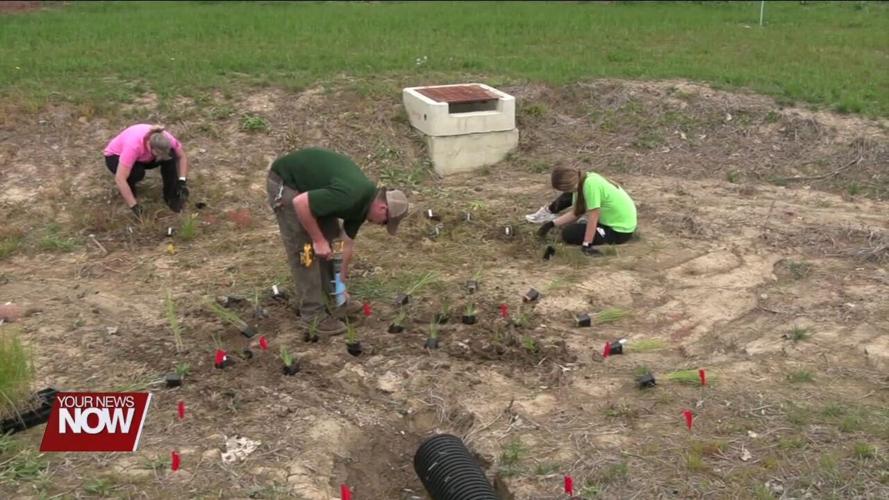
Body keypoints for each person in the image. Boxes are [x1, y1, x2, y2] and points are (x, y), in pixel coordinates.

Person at [266, 147, 409, 335]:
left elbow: (345, 244)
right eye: (385, 222)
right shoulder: (352, 196)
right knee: (306, 251)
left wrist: (341, 284)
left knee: (331, 242)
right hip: (288, 186)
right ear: (383, 208)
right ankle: (312, 314)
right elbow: (301, 203)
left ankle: (334, 299)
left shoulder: (362, 206)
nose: (381, 225)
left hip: (312, 191)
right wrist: (317, 240)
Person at [531, 166, 637, 254]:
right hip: (612, 223)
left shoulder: (590, 185)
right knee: (572, 229)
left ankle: (593, 236)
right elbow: (576, 212)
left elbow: (593, 216)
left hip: (619, 231)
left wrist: (587, 244)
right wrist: (550, 224)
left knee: (569, 233)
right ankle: (590, 231)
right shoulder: (585, 179)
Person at [103, 124, 190, 216]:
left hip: (142, 157)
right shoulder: (133, 146)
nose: (160, 157)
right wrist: (134, 206)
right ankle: (129, 189)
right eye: (158, 154)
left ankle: (171, 197)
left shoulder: (167, 139)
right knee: (136, 173)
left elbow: (181, 157)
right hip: (115, 156)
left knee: (170, 157)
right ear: (149, 146)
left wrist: (182, 181)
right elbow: (120, 178)